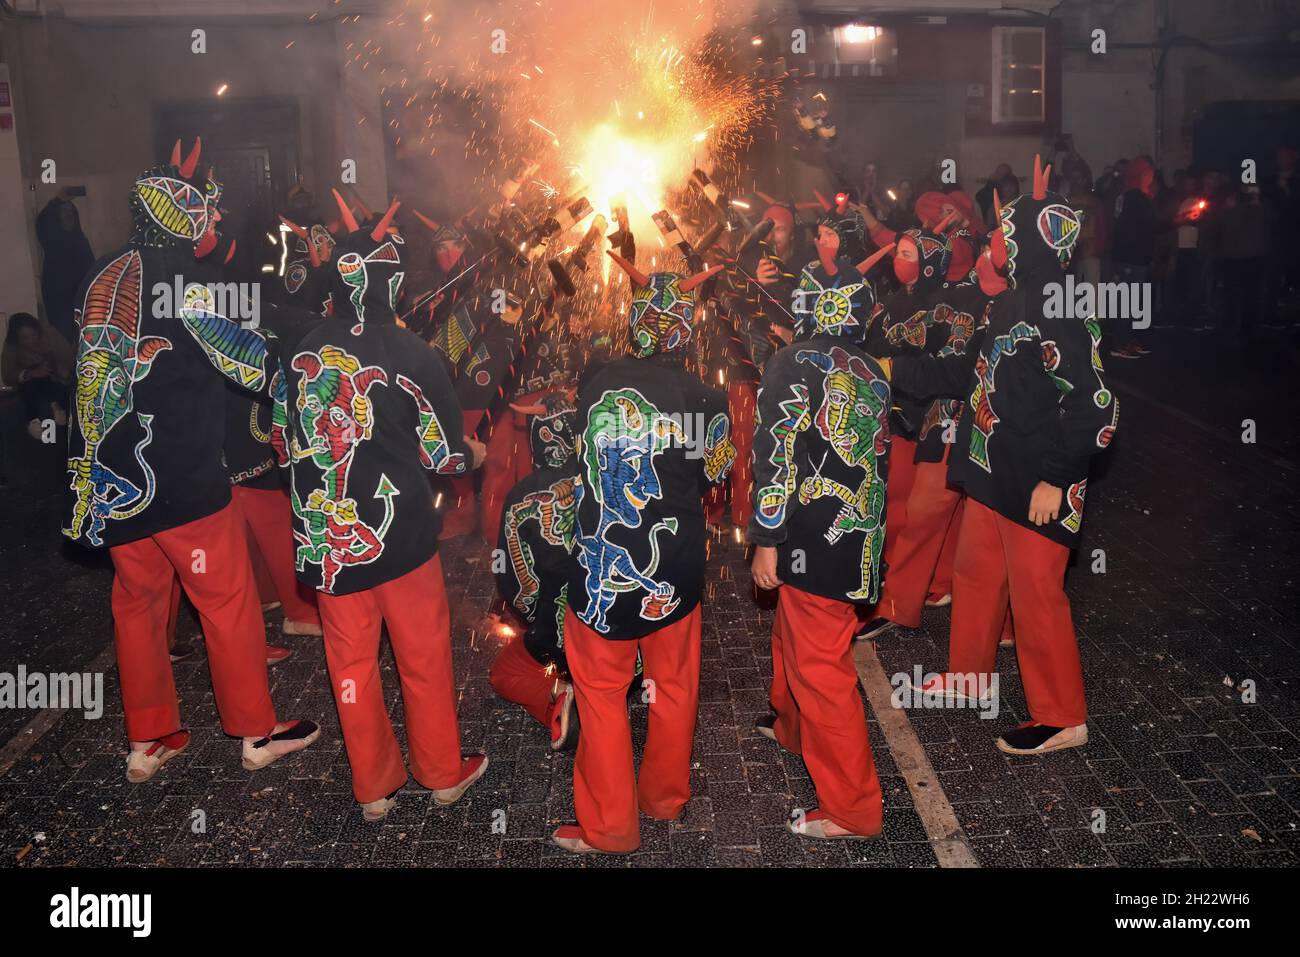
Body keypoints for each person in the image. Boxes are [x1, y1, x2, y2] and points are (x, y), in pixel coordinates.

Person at [63, 138, 321, 782]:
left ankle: (147, 739)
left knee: (138, 605)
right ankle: (257, 732)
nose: (212, 223)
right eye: (203, 215)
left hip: (113, 479)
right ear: (179, 219)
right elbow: (248, 357)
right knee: (226, 603)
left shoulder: (101, 273)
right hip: (181, 479)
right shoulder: (188, 282)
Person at [893, 156, 1119, 756]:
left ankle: (1061, 716)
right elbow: (969, 372)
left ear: (1029, 240)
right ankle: (969, 679)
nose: (995, 241)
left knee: (1037, 597)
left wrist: (1058, 479)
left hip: (1039, 482)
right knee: (975, 575)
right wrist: (894, 372)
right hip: (993, 474)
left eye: (1005, 232)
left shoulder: (1063, 307)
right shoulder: (1012, 301)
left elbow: (1097, 409)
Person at [274, 191, 489, 821]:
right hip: (400, 543)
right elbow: (445, 456)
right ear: (389, 285)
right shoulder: (414, 353)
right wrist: (474, 454)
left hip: (328, 546)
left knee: (352, 666)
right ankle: (443, 775)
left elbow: (283, 440)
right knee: (422, 658)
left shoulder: (299, 348)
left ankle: (373, 789)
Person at [551, 254, 735, 855]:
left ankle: (610, 828)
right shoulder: (706, 398)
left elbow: (574, 456)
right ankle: (664, 799)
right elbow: (717, 474)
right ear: (687, 326)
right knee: (672, 686)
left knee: (602, 695)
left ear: (636, 321)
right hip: (674, 568)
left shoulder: (597, 381)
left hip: (602, 568)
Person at [749, 229, 893, 840]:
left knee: (822, 672)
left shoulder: (791, 363)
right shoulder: (872, 369)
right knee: (794, 642)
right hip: (856, 542)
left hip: (815, 539)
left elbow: (774, 453)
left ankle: (853, 809)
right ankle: (791, 728)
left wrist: (766, 536)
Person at [489, 392, 581, 750]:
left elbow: (512, 578)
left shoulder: (521, 497)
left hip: (558, 636)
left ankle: (561, 692)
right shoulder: (605, 480)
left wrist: (534, 619)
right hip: (617, 631)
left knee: (503, 674)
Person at [1109, 155, 1157, 358]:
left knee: (1131, 301)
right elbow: (1140, 228)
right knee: (1127, 301)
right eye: (1147, 173)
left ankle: (1127, 339)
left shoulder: (1131, 194)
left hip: (1131, 257)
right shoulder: (1135, 197)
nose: (1150, 176)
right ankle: (1121, 343)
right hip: (1131, 258)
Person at [35, 191, 96, 346]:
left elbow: (91, 270)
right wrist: (56, 201)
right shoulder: (53, 241)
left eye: (71, 212)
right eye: (64, 213)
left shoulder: (80, 240)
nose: (68, 216)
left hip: (82, 304)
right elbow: (42, 224)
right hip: (59, 301)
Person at [2, 312, 72, 440]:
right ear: (16, 338)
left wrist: (57, 368)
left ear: (38, 331)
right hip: (30, 385)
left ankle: (56, 410)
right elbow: (7, 376)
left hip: (55, 379)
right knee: (30, 390)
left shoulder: (50, 334)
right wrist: (30, 373)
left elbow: (70, 359)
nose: (31, 341)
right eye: (24, 338)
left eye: (33, 335)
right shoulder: (11, 345)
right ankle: (35, 422)